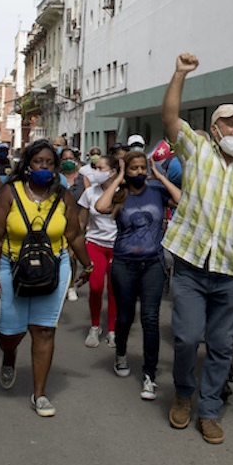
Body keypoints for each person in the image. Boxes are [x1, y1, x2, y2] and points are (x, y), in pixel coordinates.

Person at [160, 53, 233, 445]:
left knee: (223, 345)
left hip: (229, 271)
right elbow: (171, 118)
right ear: (214, 128)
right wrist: (180, 74)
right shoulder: (196, 150)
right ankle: (183, 394)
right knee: (188, 338)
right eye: (231, 123)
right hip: (191, 265)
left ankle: (209, 410)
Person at [0, 139, 93, 417]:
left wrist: (87, 264)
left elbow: (75, 235)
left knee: (43, 329)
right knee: (11, 332)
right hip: (13, 268)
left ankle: (40, 394)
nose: (44, 167)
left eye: (49, 163)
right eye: (38, 162)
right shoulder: (10, 192)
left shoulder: (62, 196)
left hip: (52, 269)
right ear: (28, 165)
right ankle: (9, 357)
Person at [95, 151, 172, 399]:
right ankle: (121, 353)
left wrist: (160, 176)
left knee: (150, 319)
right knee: (125, 316)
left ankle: (150, 374)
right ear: (126, 170)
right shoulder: (120, 194)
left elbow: (183, 201)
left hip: (153, 264)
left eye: (142, 168)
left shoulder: (158, 191)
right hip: (125, 264)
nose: (139, 172)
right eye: (134, 168)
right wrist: (118, 179)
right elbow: (100, 206)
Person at [77, 155, 118, 348]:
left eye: (101, 168)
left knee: (113, 289)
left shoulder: (122, 193)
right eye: (95, 168)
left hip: (117, 247)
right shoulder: (89, 193)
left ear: (113, 172)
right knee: (95, 287)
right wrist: (75, 245)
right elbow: (80, 221)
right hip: (94, 244)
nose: (96, 172)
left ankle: (112, 330)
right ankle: (95, 327)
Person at [59, 147, 86, 302]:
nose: (68, 161)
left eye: (71, 158)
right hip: (57, 221)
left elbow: (89, 198)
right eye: (64, 159)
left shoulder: (82, 178)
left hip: (77, 222)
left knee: (72, 255)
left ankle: (70, 286)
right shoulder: (56, 177)